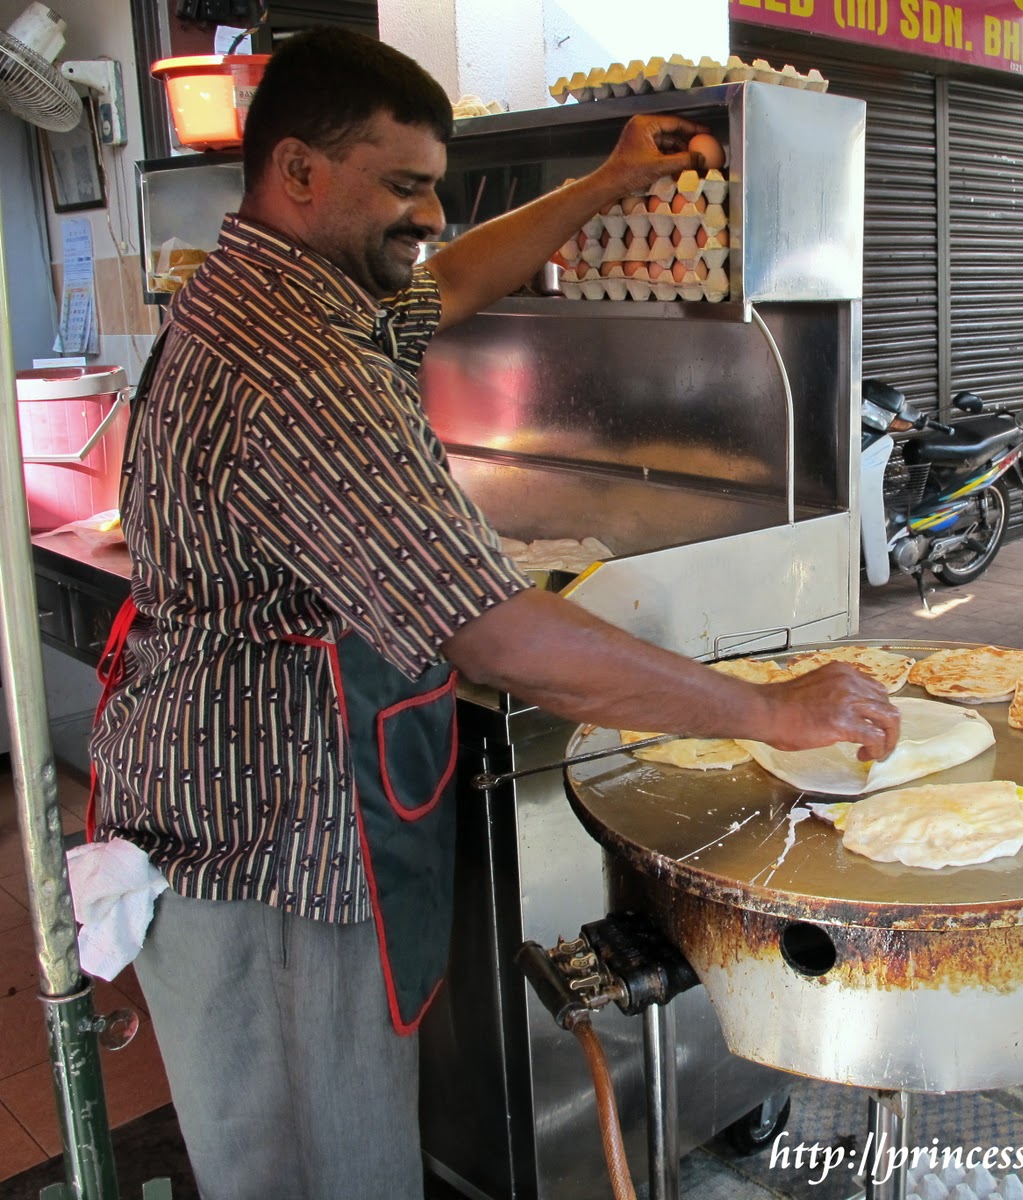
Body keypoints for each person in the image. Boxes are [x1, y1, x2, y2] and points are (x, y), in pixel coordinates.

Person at [88, 27, 899, 1200]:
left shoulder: (299, 290)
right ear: (301, 171)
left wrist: (611, 182)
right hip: (263, 839)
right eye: (406, 185)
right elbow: (498, 634)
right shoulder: (297, 369)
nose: (430, 212)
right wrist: (765, 708)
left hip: (239, 792)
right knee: (314, 1158)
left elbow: (451, 285)